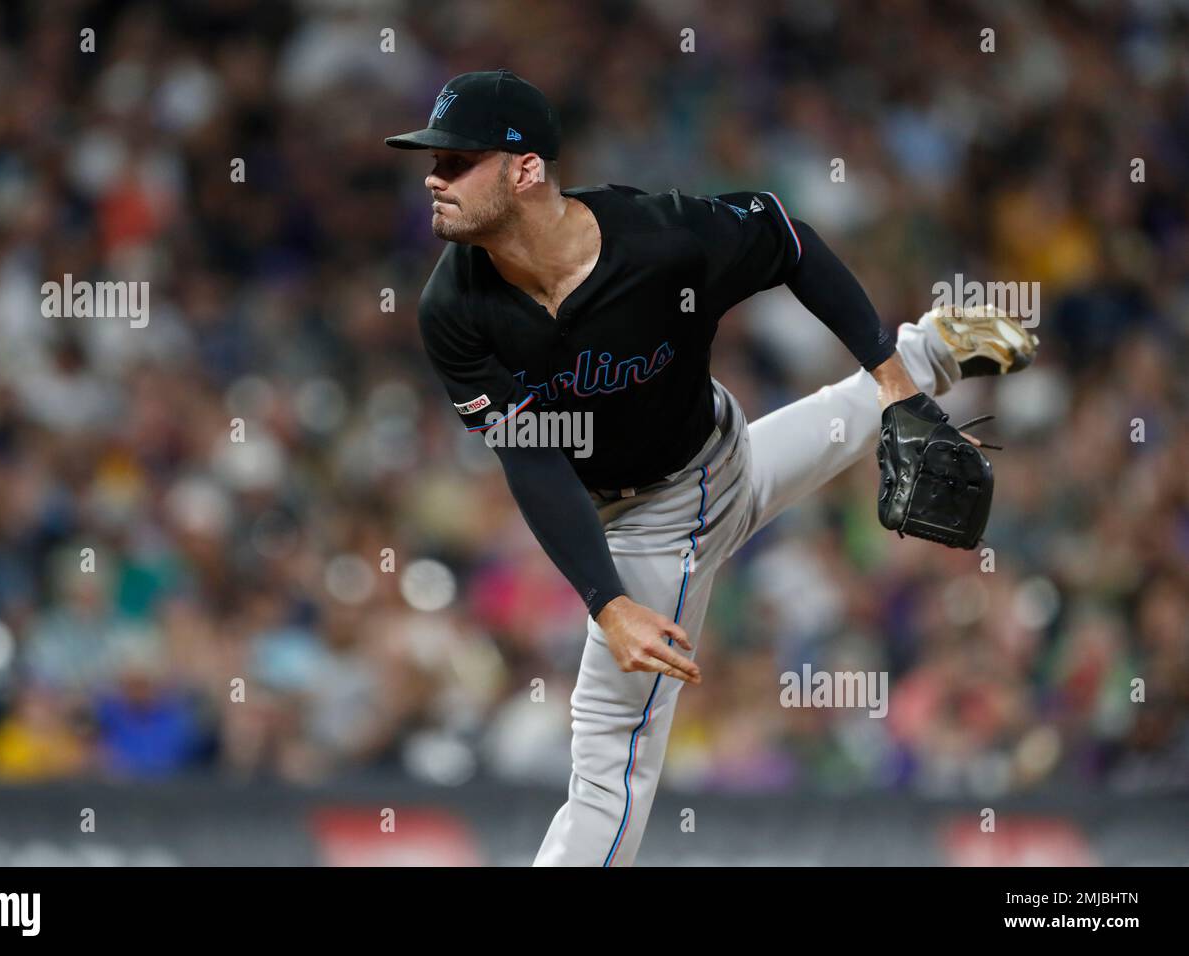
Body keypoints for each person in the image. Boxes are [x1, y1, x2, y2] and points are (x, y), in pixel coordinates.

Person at [385, 70, 1037, 866]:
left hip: (672, 499)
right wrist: (607, 601)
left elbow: (789, 241)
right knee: (766, 473)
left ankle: (917, 359)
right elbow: (530, 455)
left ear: (525, 170)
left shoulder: (659, 240)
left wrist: (891, 380)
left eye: (457, 161)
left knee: (610, 756)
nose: (434, 177)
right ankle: (931, 348)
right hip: (683, 472)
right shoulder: (452, 307)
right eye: (435, 161)